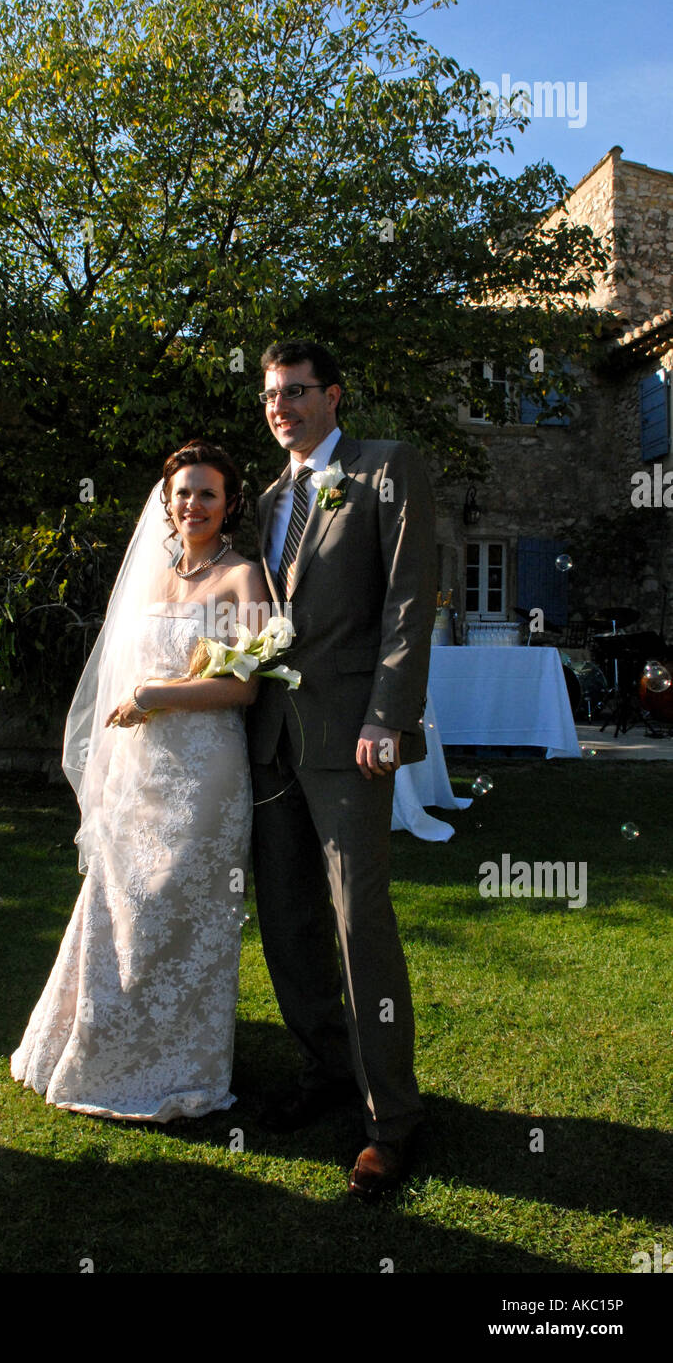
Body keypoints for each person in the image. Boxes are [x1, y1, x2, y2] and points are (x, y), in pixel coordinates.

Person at [11, 442, 270, 1121]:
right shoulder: (147, 579)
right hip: (138, 773)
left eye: (208, 494)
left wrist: (158, 694)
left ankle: (179, 1064)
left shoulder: (243, 579)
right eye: (183, 493)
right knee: (121, 906)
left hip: (207, 773)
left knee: (186, 915)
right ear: (168, 500)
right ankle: (98, 1050)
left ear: (230, 503)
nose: (194, 505)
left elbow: (243, 688)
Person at [247, 339, 437, 1200]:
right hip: (271, 741)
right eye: (269, 396)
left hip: (352, 738)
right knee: (288, 922)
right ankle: (327, 1069)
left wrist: (386, 719)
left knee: (360, 922)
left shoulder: (387, 469)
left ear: (333, 396)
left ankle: (390, 1120)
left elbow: (406, 604)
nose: (279, 406)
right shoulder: (267, 497)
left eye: (294, 392)